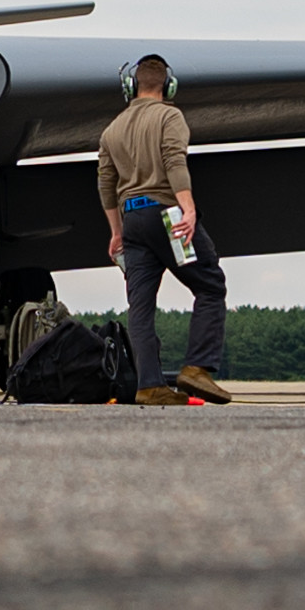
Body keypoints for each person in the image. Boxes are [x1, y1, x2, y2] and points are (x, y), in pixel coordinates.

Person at [97, 54, 230, 401]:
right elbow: (174, 160)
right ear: (169, 86)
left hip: (133, 223)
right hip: (167, 215)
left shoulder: (112, 129)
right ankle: (196, 369)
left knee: (140, 307)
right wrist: (187, 208)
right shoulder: (170, 116)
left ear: (131, 86)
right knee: (210, 285)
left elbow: (105, 183)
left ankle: (150, 386)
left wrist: (116, 232)